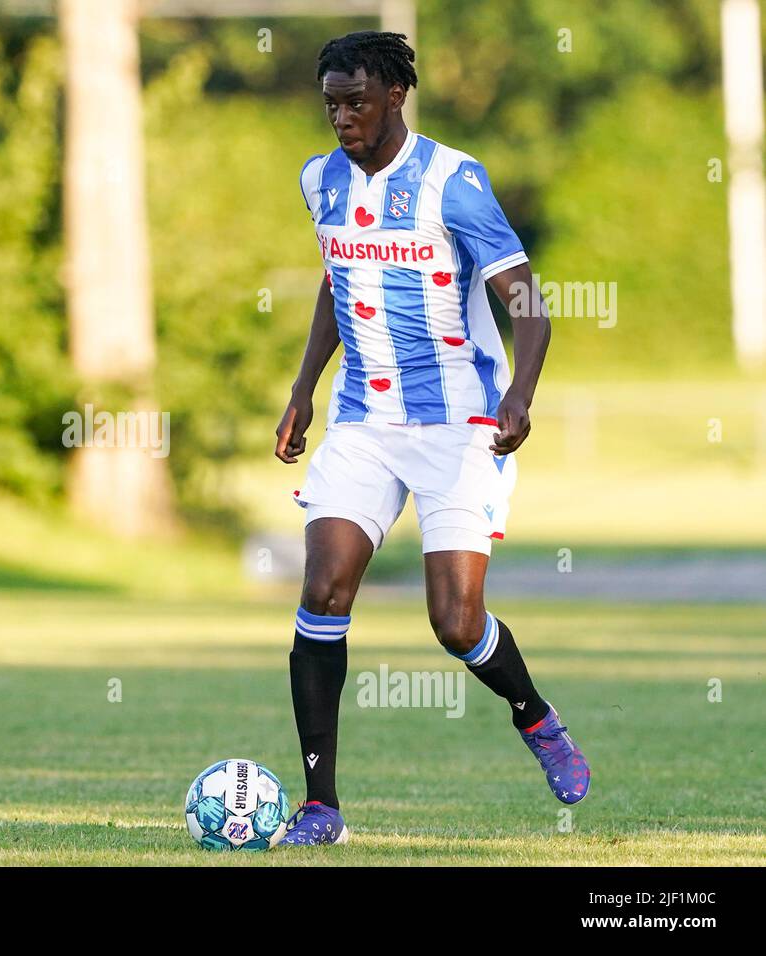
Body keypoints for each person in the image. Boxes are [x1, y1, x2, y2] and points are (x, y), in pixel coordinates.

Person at [273, 31, 591, 847]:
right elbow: (337, 281)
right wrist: (303, 391)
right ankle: (322, 807)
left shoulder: (455, 180)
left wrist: (521, 393)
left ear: (395, 97)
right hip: (364, 423)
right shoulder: (320, 181)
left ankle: (534, 714)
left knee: (454, 623)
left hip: (459, 423)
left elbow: (525, 300)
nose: (342, 118)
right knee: (323, 591)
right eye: (331, 104)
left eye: (356, 102)